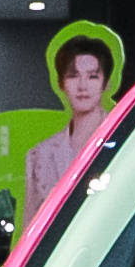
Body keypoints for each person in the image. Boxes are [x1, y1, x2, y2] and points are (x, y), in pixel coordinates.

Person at [12, 21, 126, 226]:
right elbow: (30, 225)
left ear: (106, 82)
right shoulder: (40, 156)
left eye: (92, 76)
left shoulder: (126, 142)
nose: (82, 86)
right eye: (73, 76)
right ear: (61, 83)